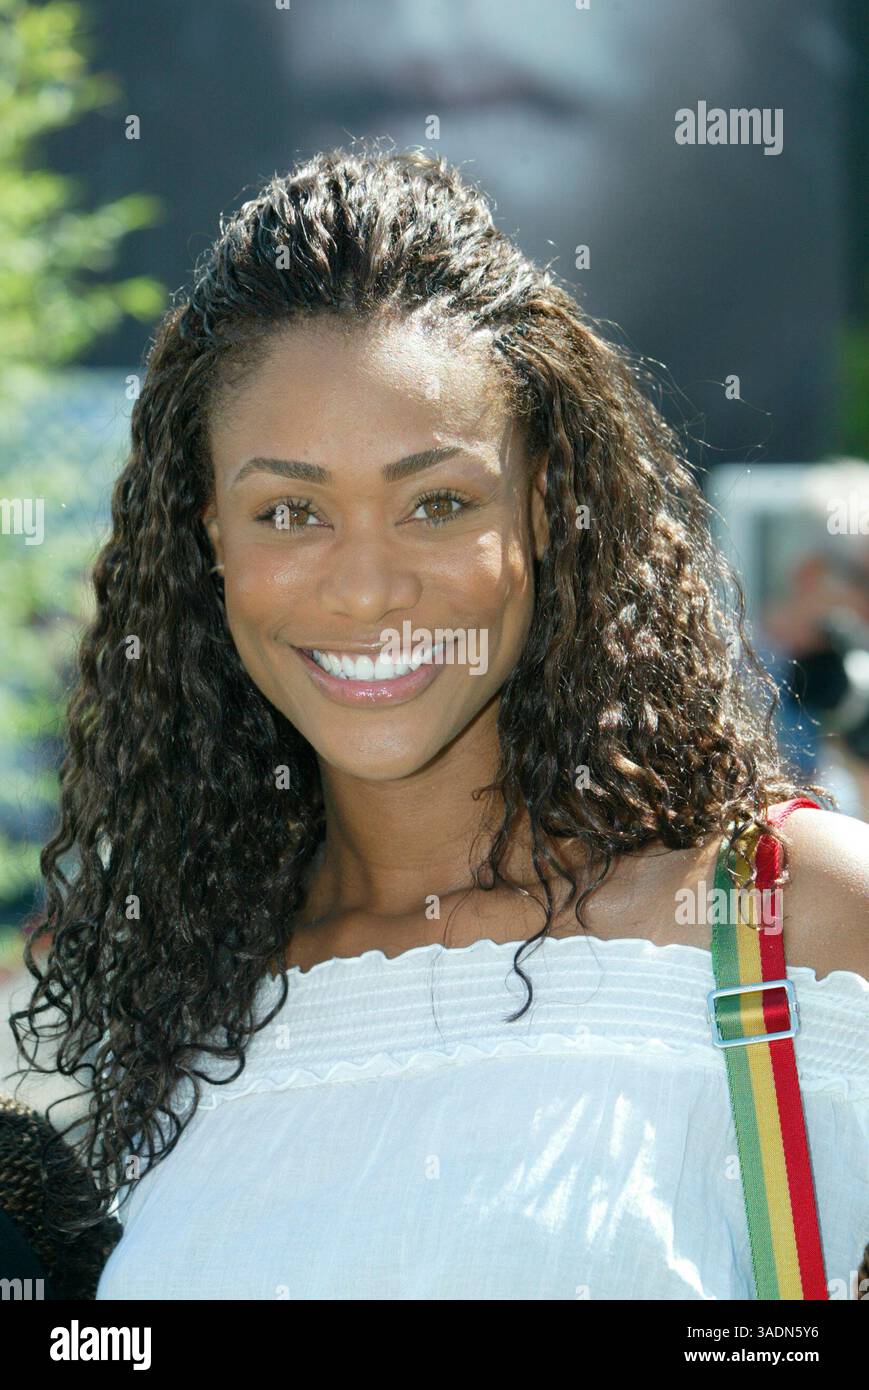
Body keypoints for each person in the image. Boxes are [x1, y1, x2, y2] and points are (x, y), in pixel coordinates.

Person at [9, 143, 868, 1301]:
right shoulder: (170, 1008)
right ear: (212, 538)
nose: (364, 590)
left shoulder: (798, 925)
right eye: (291, 509)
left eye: (438, 501)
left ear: (548, 507)